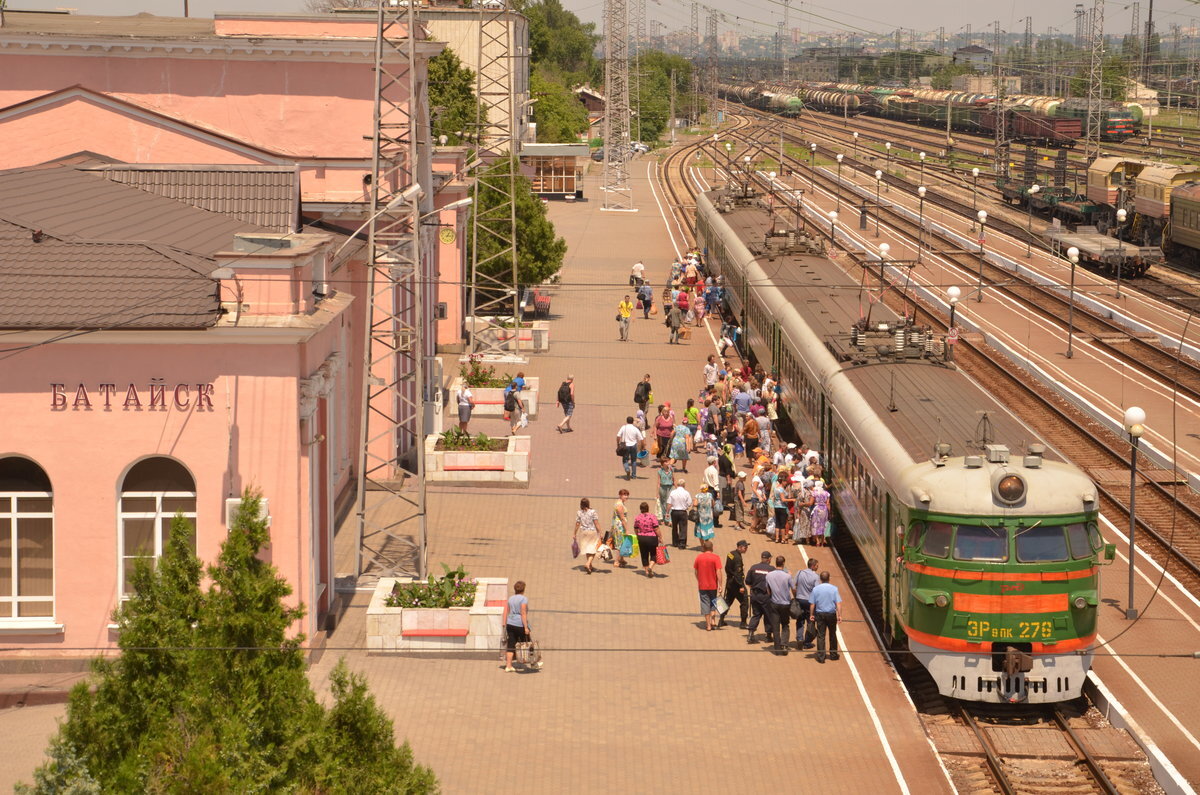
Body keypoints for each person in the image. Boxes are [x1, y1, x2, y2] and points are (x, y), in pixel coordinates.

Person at [503, 581, 541, 672]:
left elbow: (506, 611)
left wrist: (504, 623)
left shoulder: (510, 598)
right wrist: (525, 627)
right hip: (519, 624)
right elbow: (523, 612)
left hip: (510, 623)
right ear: (523, 589)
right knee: (528, 644)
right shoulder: (524, 599)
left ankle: (508, 666)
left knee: (511, 644)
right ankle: (533, 663)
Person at [810, 570, 843, 663]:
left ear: (820, 579)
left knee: (821, 635)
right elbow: (838, 603)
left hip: (820, 614)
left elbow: (812, 604)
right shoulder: (834, 589)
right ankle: (833, 655)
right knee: (832, 634)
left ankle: (821, 657)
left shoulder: (816, 589)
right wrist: (839, 615)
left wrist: (811, 615)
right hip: (831, 614)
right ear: (829, 579)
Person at [764, 556, 793, 655]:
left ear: (776, 563)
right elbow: (793, 588)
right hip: (785, 604)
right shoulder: (788, 576)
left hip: (774, 603)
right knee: (785, 624)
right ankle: (784, 645)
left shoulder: (769, 575)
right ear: (783, 563)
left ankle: (777, 649)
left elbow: (768, 590)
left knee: (775, 627)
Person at [745, 550, 774, 644]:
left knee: (756, 615)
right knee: (768, 615)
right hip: (766, 596)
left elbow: (747, 582)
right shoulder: (772, 569)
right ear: (769, 559)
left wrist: (753, 589)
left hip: (755, 595)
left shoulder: (754, 567)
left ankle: (750, 634)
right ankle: (769, 636)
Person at [693, 540, 723, 631]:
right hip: (713, 585)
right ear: (712, 548)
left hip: (702, 585)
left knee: (705, 603)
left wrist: (699, 580)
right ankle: (713, 620)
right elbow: (718, 571)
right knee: (713, 601)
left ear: (703, 548)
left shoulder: (699, 557)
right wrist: (720, 585)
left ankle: (708, 625)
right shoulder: (716, 558)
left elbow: (696, 571)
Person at [719, 539, 750, 629]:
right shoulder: (737, 558)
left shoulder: (730, 554)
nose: (746, 549)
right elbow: (738, 573)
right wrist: (741, 586)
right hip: (736, 583)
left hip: (730, 582)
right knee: (744, 601)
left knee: (727, 601)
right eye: (745, 547)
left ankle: (721, 620)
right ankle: (743, 623)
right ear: (739, 547)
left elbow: (726, 568)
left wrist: (729, 576)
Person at [793, 557, 820, 650]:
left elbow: (793, 586)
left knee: (800, 621)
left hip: (800, 600)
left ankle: (799, 639)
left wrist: (795, 596)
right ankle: (807, 642)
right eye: (816, 566)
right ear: (812, 566)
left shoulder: (799, 572)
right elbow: (817, 591)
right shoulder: (816, 576)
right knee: (810, 622)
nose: (817, 567)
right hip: (810, 602)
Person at [633, 502, 662, 577]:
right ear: (648, 508)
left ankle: (646, 571)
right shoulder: (652, 516)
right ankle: (650, 567)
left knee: (644, 555)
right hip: (652, 537)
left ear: (640, 509)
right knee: (654, 554)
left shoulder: (638, 517)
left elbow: (635, 528)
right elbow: (656, 528)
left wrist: (637, 535)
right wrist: (660, 537)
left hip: (642, 537)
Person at [574, 498, 601, 574]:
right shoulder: (593, 512)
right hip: (592, 532)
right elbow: (596, 523)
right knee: (593, 550)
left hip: (583, 532)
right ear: (588, 504)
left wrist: (574, 533)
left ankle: (590, 567)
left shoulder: (579, 512)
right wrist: (600, 532)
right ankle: (588, 563)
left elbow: (577, 524)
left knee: (587, 549)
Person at [666, 478, 693, 549]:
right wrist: (686, 506)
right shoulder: (686, 493)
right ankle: (682, 543)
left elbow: (669, 503)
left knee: (674, 527)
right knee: (683, 528)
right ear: (684, 485)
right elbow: (690, 503)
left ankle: (675, 542)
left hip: (674, 512)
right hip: (683, 512)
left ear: (677, 485)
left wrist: (667, 512)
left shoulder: (673, 492)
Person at [616, 416, 644, 480]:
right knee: (634, 461)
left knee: (625, 460)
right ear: (632, 422)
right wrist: (643, 447)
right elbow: (641, 439)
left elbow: (618, 436)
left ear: (627, 421)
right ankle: (634, 475)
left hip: (626, 446)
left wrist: (618, 444)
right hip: (634, 446)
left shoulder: (624, 427)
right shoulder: (635, 429)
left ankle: (627, 469)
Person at [611, 489, 632, 568]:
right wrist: (627, 529)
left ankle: (622, 559)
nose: (626, 497)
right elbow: (622, 518)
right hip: (619, 526)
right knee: (619, 544)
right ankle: (616, 561)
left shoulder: (620, 503)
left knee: (622, 542)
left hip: (618, 525)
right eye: (624, 495)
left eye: (627, 495)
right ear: (620, 495)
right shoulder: (619, 505)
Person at [809, 479, 830, 547]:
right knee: (823, 524)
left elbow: (811, 503)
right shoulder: (826, 493)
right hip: (824, 509)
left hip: (817, 509)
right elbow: (828, 503)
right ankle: (822, 541)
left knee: (816, 524)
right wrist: (829, 512)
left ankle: (817, 541)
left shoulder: (814, 493)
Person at [703, 456, 721, 527]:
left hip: (707, 489)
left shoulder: (706, 470)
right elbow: (716, 482)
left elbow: (704, 480)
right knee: (715, 506)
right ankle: (715, 522)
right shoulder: (714, 470)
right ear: (714, 462)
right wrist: (718, 492)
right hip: (713, 490)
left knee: (708, 506)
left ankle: (707, 521)